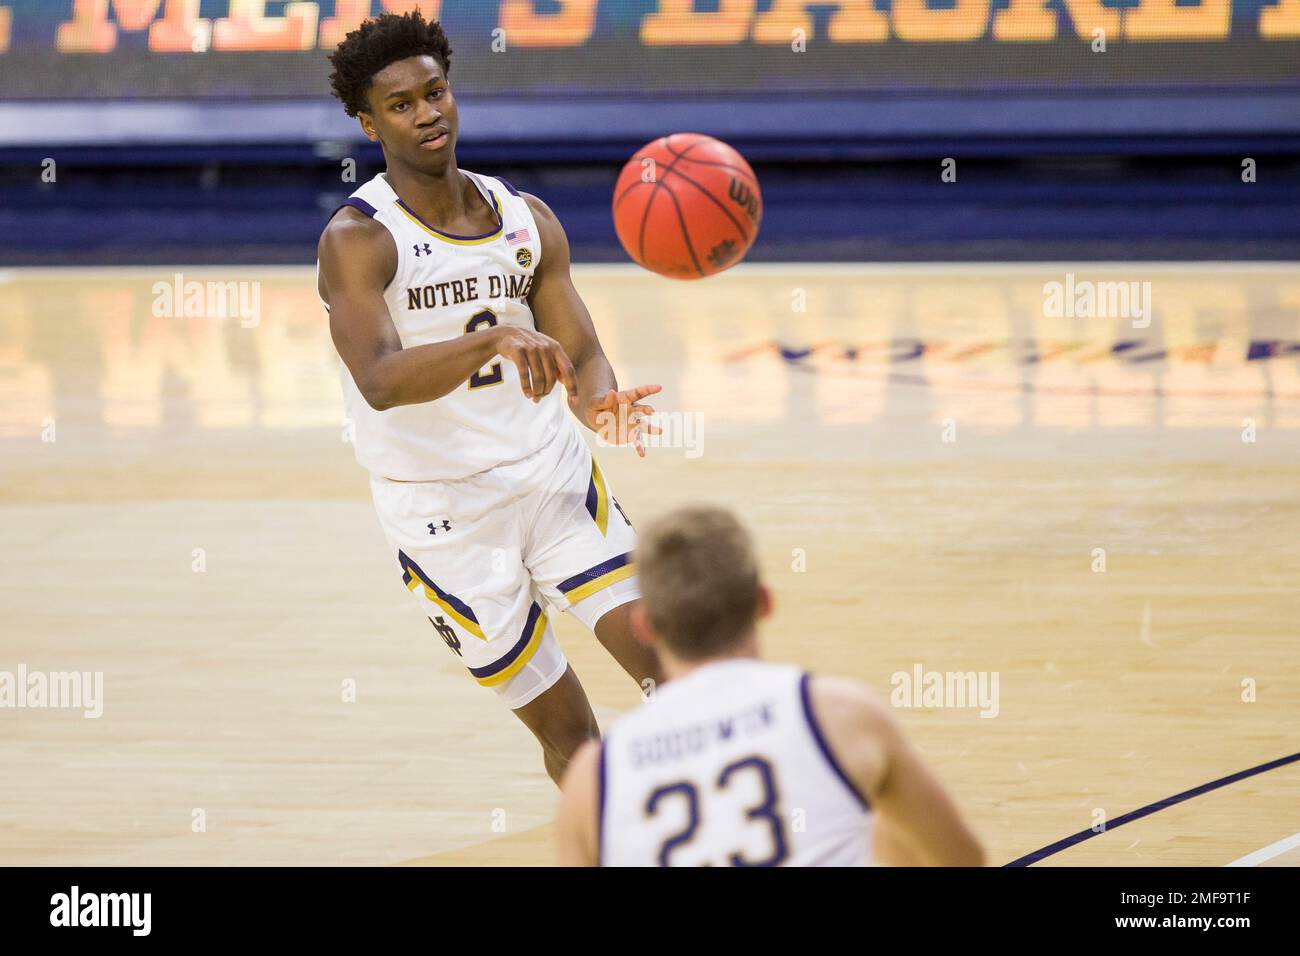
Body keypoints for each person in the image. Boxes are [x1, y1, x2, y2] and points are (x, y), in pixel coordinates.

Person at [318, 11, 662, 783]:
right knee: (574, 739)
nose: (427, 112)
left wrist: (599, 400)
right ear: (369, 122)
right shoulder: (359, 238)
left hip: (550, 478)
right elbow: (378, 380)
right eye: (401, 104)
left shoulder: (526, 218)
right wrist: (494, 341)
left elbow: (579, 352)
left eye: (435, 92)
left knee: (671, 673)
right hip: (442, 515)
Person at [556, 506, 985, 866]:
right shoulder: (840, 713)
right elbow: (963, 858)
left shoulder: (593, 776)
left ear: (643, 625)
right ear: (763, 602)